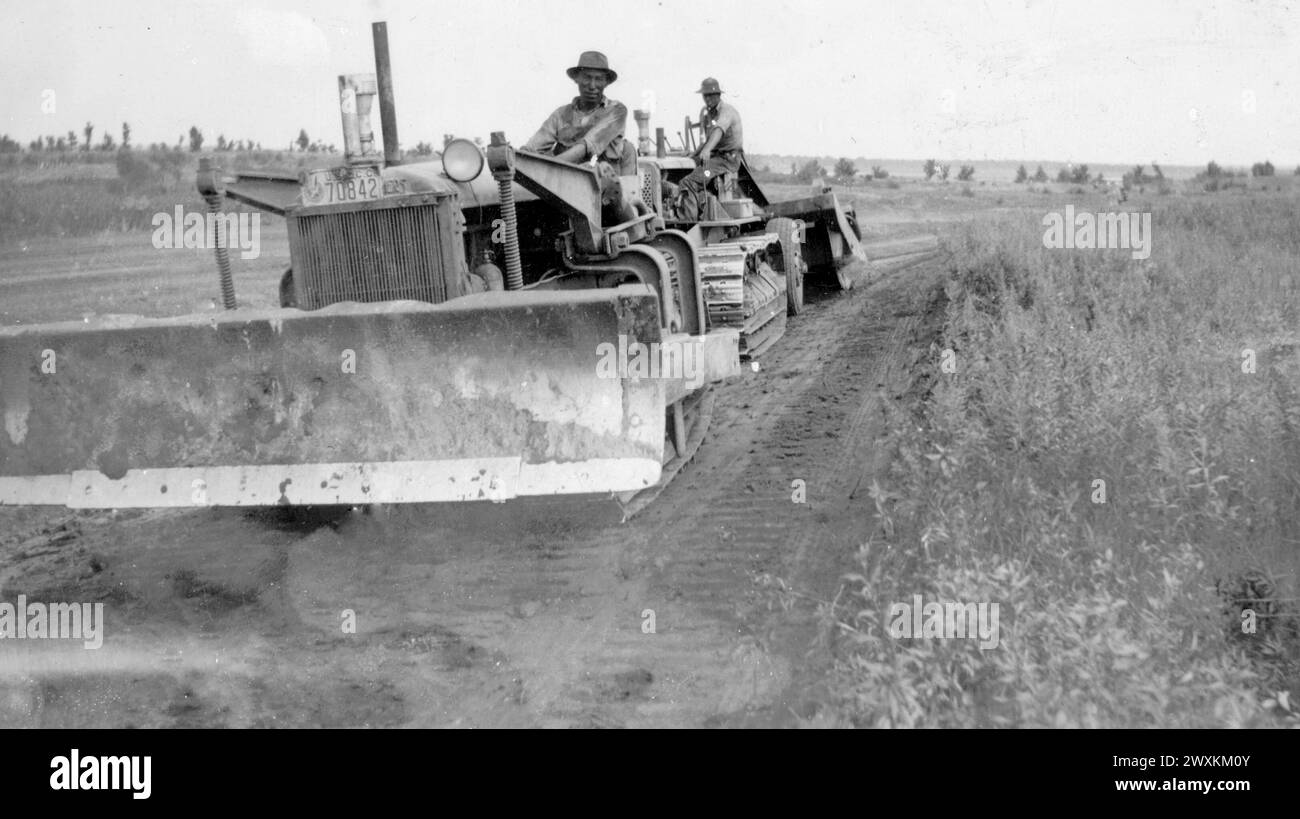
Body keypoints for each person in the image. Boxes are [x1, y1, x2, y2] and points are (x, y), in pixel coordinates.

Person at [523, 51, 636, 175]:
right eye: (587, 77)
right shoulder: (560, 115)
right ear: (577, 79)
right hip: (563, 182)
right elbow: (533, 148)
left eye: (598, 79)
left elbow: (586, 146)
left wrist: (550, 170)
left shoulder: (616, 110)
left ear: (606, 83)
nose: (592, 86)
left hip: (605, 187)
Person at [678, 77, 744, 220]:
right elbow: (707, 140)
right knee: (688, 174)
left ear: (718, 95)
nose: (707, 98)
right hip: (717, 157)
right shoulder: (710, 114)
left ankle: (688, 223)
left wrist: (707, 150)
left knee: (688, 182)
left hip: (726, 160)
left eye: (710, 95)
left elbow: (718, 131)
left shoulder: (726, 112)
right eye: (705, 95)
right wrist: (692, 156)